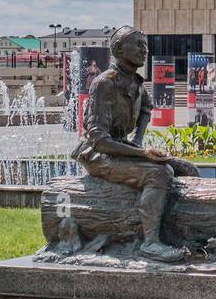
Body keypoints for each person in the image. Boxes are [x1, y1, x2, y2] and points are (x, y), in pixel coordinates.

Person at [71, 26, 200, 261]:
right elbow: (99, 140)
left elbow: (146, 109)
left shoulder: (136, 82)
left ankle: (181, 230)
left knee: (188, 169)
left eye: (145, 44)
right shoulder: (104, 83)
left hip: (121, 149)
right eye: (138, 44)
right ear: (119, 49)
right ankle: (150, 242)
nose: (145, 49)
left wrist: (138, 142)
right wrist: (142, 153)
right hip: (100, 156)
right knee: (159, 174)